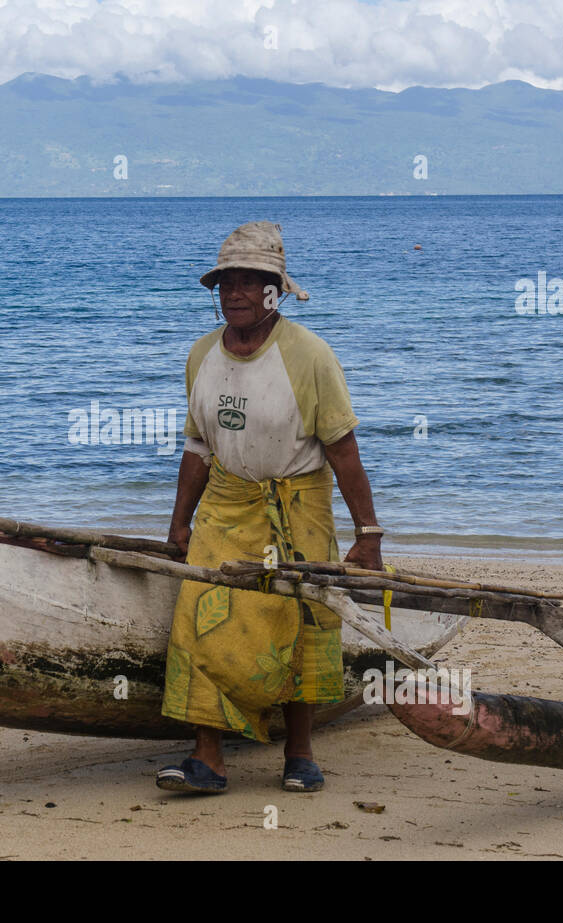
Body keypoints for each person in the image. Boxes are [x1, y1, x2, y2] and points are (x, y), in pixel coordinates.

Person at [156, 220, 384, 794]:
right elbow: (198, 446)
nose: (234, 292)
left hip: (297, 504)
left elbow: (342, 448)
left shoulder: (309, 356)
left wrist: (369, 534)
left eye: (249, 281)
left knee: (301, 618)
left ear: (273, 290)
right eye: (226, 282)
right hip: (225, 505)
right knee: (199, 615)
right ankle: (207, 760)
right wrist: (179, 521)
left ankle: (300, 753)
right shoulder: (203, 355)